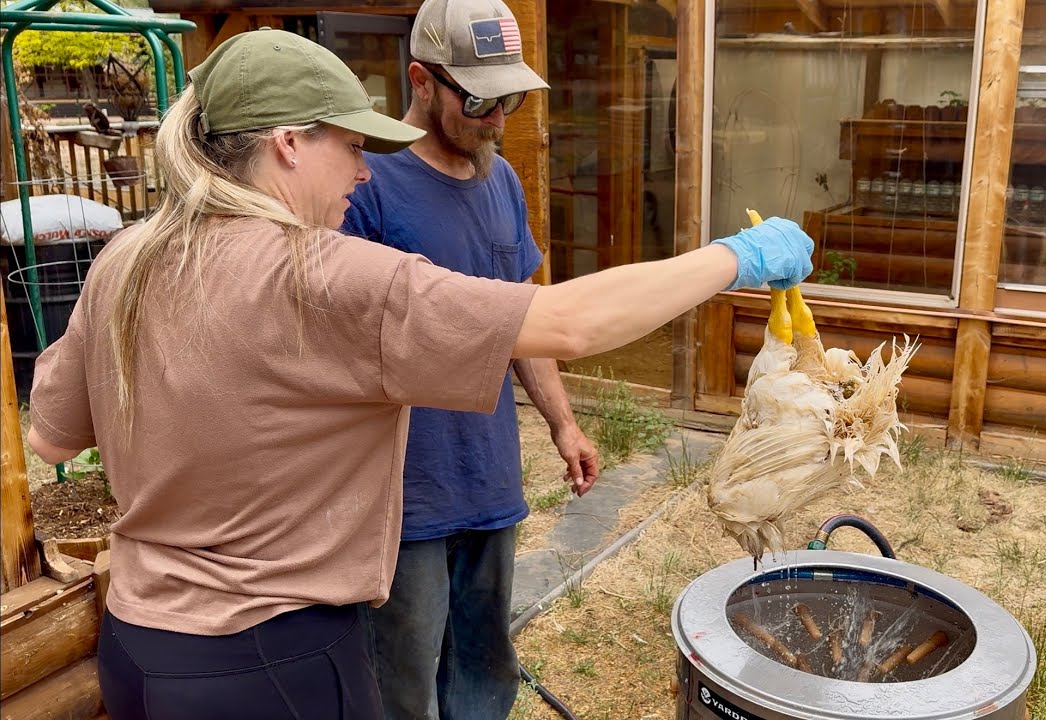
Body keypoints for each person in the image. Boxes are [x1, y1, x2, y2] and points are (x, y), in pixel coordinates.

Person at [24, 28, 813, 720]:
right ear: (289, 143)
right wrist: (731, 259)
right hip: (274, 664)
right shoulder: (324, 275)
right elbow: (569, 321)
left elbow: (54, 431)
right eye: (353, 146)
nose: (365, 174)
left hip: (136, 648)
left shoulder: (126, 257)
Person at [340, 2, 597, 718]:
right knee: (404, 680)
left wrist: (563, 425)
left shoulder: (503, 182)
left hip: (487, 477)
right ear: (422, 81)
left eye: (511, 98)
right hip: (406, 492)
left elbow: (523, 317)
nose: (498, 118)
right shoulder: (365, 185)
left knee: (485, 666)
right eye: (481, 99)